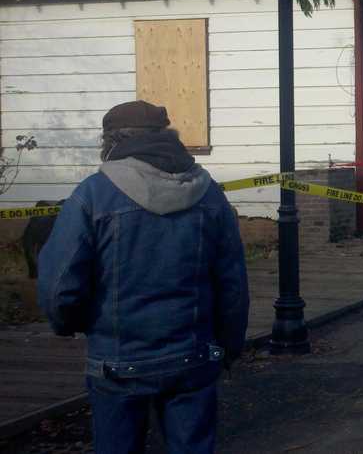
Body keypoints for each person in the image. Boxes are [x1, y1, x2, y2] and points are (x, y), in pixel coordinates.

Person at [37, 101, 249, 454]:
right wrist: (230, 346)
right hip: (193, 355)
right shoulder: (208, 193)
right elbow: (232, 283)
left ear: (111, 141)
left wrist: (69, 322)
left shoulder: (93, 194)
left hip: (117, 360)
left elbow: (59, 283)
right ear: (166, 136)